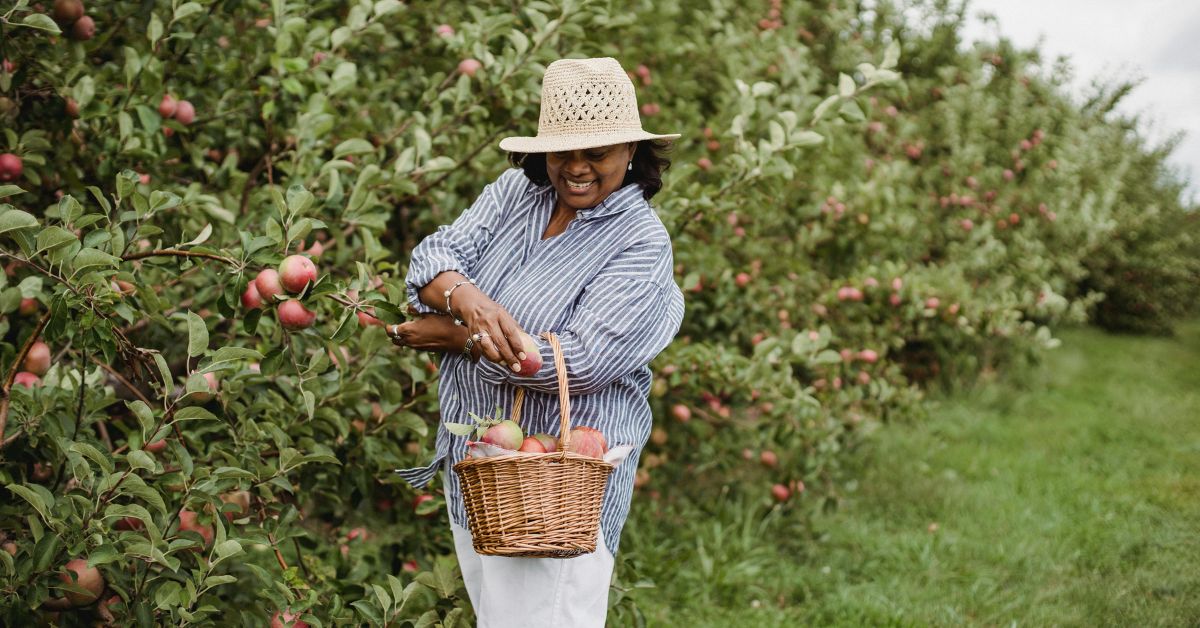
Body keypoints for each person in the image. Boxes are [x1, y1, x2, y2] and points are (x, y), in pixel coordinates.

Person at [389, 57, 684, 627]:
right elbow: (433, 256)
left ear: (630, 151)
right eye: (561, 152)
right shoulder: (516, 193)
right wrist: (466, 301)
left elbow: (574, 361)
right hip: (481, 467)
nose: (575, 168)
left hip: (558, 486)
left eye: (595, 153)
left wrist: (454, 334)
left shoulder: (641, 244)